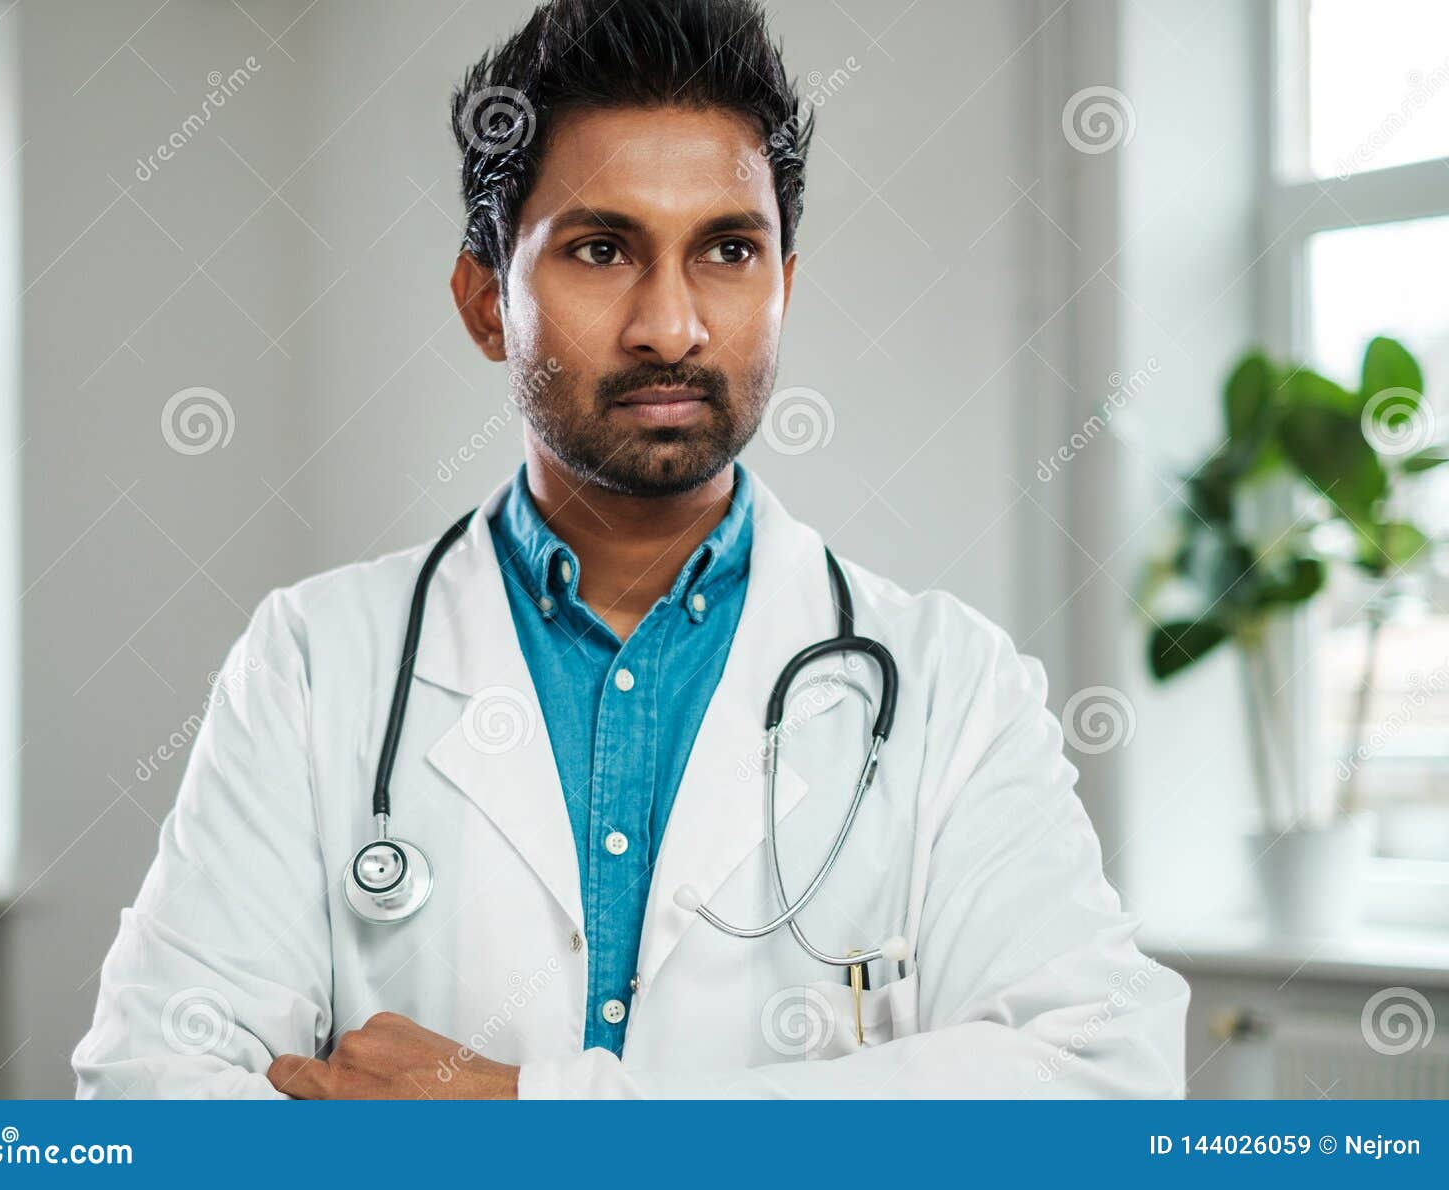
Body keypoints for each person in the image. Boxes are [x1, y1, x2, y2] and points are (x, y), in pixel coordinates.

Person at [73, 0, 1188, 1099]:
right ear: (483, 303)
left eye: (728, 250)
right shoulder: (316, 660)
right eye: (601, 249)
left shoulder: (950, 682)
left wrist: (527, 1114)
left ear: (783, 289)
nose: (671, 324)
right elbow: (153, 1085)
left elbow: (1097, 1075)